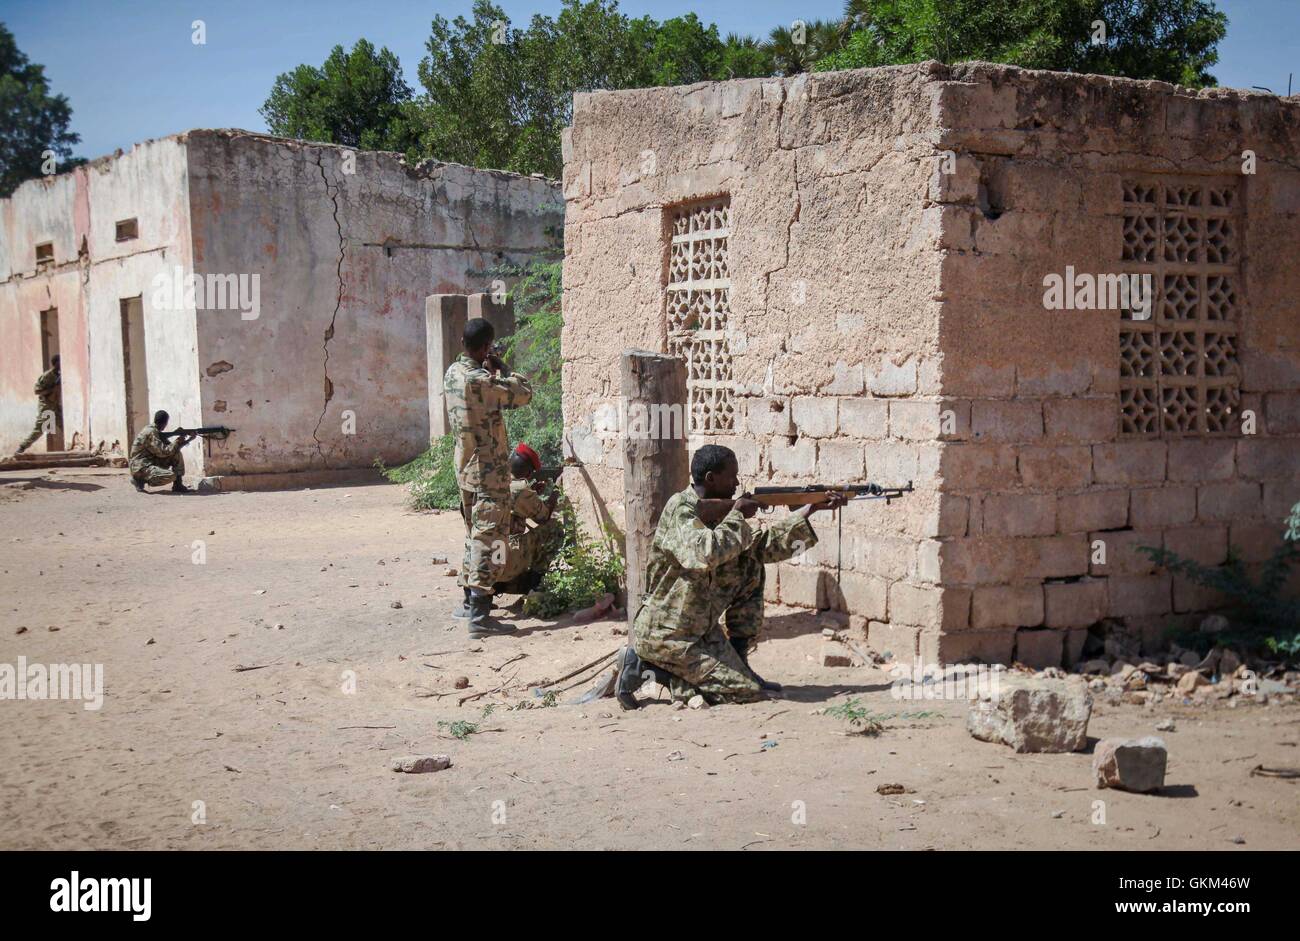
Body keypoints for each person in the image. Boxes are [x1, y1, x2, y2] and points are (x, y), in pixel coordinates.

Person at [616, 444, 845, 709]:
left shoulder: (721, 516)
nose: (737, 482)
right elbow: (704, 553)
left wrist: (809, 510)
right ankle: (647, 667)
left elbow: (763, 547)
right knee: (745, 693)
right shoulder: (681, 510)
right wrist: (737, 514)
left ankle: (738, 661)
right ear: (711, 478)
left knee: (751, 563)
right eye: (731, 476)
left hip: (700, 630)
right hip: (667, 632)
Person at [444, 319, 532, 637]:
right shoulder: (479, 379)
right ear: (484, 347)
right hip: (487, 471)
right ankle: (481, 615)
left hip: (465, 466)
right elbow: (523, 393)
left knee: (473, 533)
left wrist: (486, 360)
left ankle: (469, 602)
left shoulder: (453, 373)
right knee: (489, 537)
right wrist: (501, 363)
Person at [492, 444, 563, 595]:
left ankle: (493, 588)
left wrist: (532, 493)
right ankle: (536, 585)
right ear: (529, 472)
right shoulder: (520, 490)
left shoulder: (494, 480)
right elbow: (543, 518)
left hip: (485, 558)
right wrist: (556, 489)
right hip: (505, 559)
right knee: (553, 529)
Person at [129, 410, 194, 493]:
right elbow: (164, 452)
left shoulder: (154, 430)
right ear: (165, 422)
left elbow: (173, 450)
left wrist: (189, 439)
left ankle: (178, 485)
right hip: (140, 466)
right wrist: (178, 440)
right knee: (170, 476)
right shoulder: (151, 432)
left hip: (149, 461)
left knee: (177, 454)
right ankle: (139, 479)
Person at [13, 355, 61, 455]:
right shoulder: (47, 376)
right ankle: (22, 447)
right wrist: (51, 389)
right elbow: (37, 391)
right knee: (41, 429)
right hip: (46, 405)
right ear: (55, 363)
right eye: (59, 362)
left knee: (62, 424)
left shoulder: (59, 375)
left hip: (55, 406)